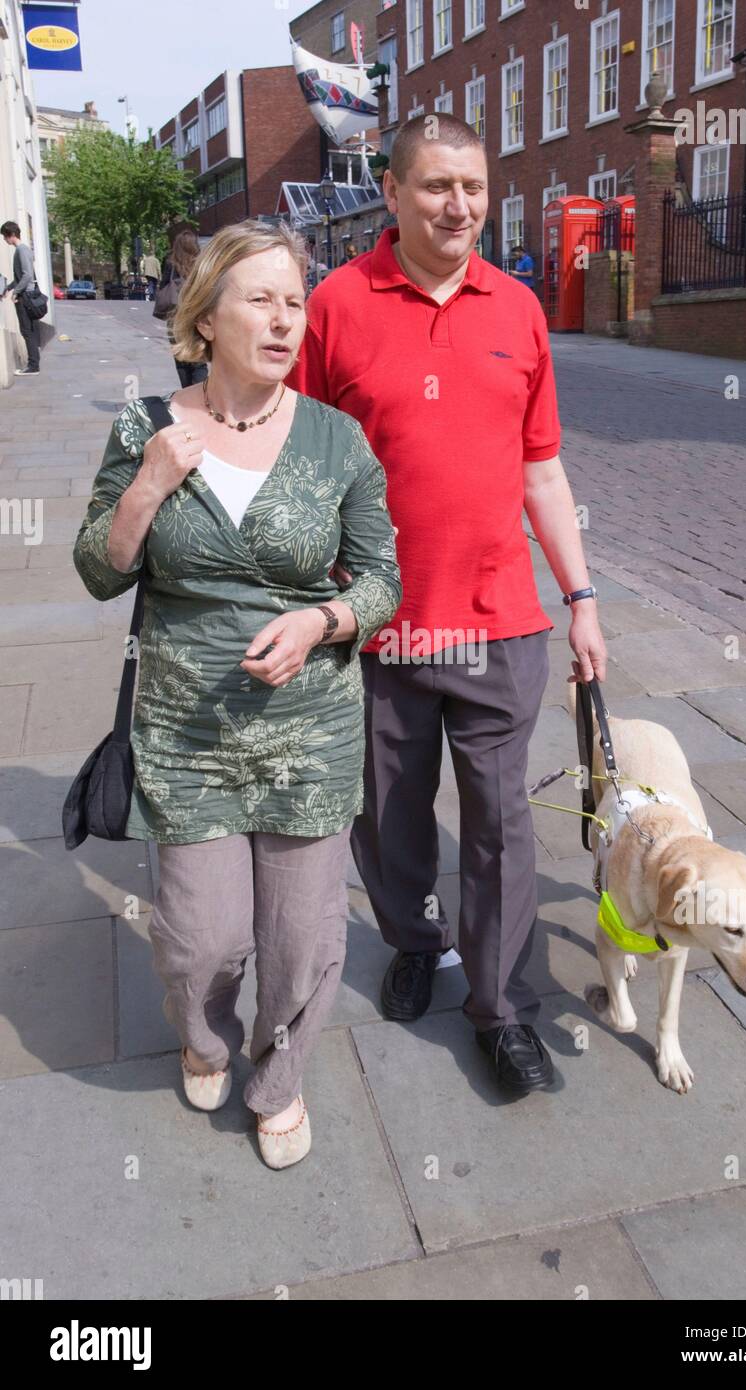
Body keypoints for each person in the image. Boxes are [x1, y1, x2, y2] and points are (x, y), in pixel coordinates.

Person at [287, 114, 606, 1095]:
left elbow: (542, 473)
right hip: (375, 625)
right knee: (386, 817)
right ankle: (415, 935)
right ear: (390, 192)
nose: (457, 205)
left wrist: (581, 596)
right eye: (435, 187)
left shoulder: (516, 310)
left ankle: (500, 1008)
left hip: (499, 621)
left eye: (471, 186)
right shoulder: (335, 305)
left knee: (502, 821)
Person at [73, 219, 401, 1169]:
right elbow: (99, 571)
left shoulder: (337, 440)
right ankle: (205, 1035)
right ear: (205, 316)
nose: (285, 319)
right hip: (187, 728)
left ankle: (281, 1079)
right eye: (260, 298)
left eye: (296, 301)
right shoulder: (147, 428)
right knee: (200, 939)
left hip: (311, 733)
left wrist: (320, 623)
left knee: (302, 940)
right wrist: (147, 486)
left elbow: (382, 579)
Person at [159, 229, 208, 387]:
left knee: (181, 359)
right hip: (196, 315)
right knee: (198, 360)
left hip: (175, 317)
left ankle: (187, 392)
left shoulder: (170, 263)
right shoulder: (200, 263)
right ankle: (201, 393)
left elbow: (163, 287)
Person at [1, 220, 41, 375]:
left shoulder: (21, 251)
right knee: (28, 329)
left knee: (26, 330)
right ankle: (34, 364)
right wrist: (8, 288)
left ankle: (33, 366)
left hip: (25, 296)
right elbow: (20, 277)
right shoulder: (23, 250)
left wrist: (16, 292)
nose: (4, 240)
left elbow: (27, 276)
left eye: (5, 237)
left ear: (11, 235)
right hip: (26, 294)